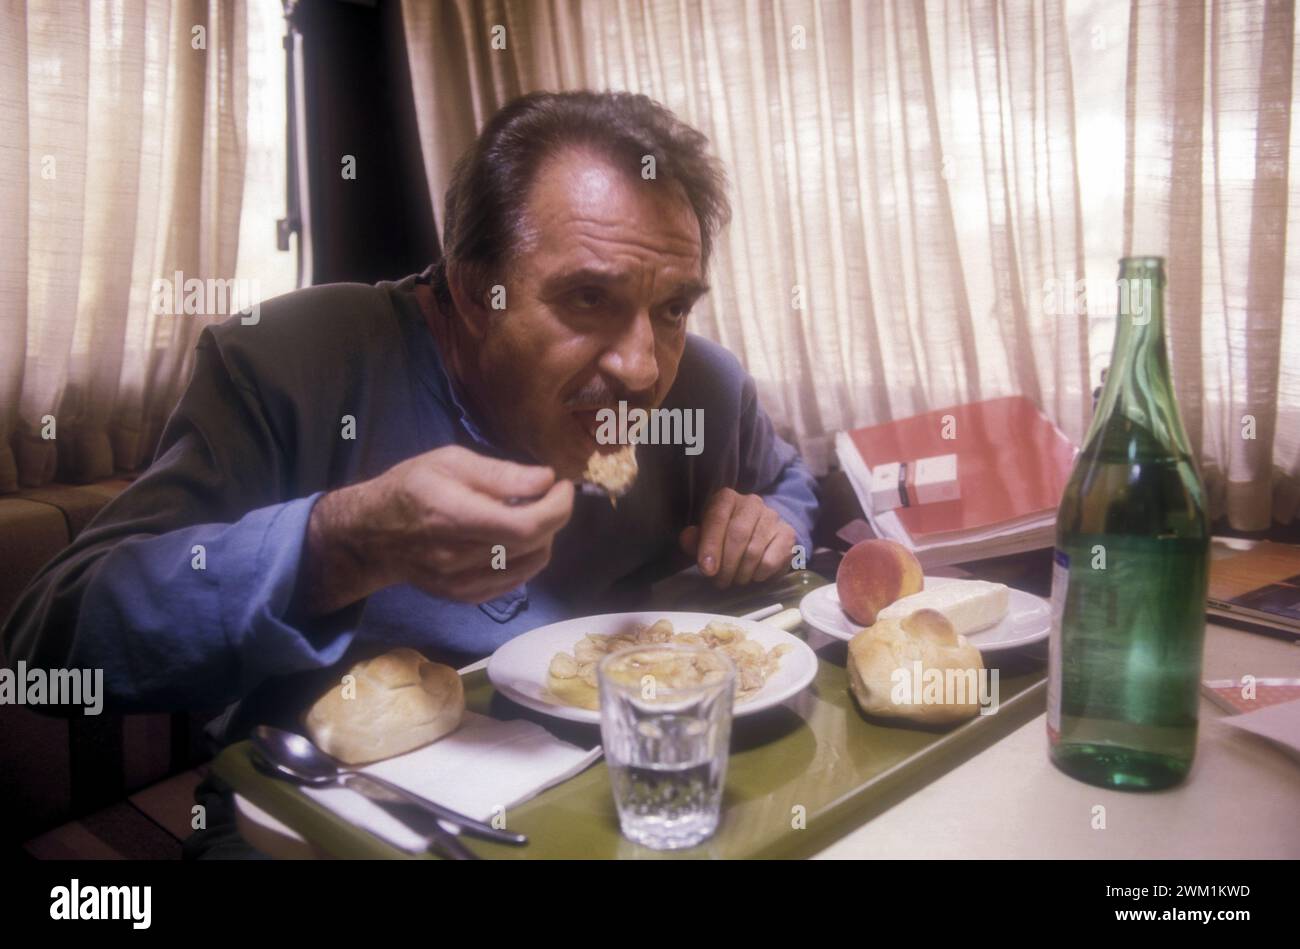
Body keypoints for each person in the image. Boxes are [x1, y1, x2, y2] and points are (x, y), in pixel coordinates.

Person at [3, 91, 819, 737]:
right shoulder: (290, 365)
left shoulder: (702, 386)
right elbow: (46, 644)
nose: (642, 368)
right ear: (471, 289)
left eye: (674, 307)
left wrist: (769, 519)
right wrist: (339, 543)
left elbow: (787, 485)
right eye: (587, 298)